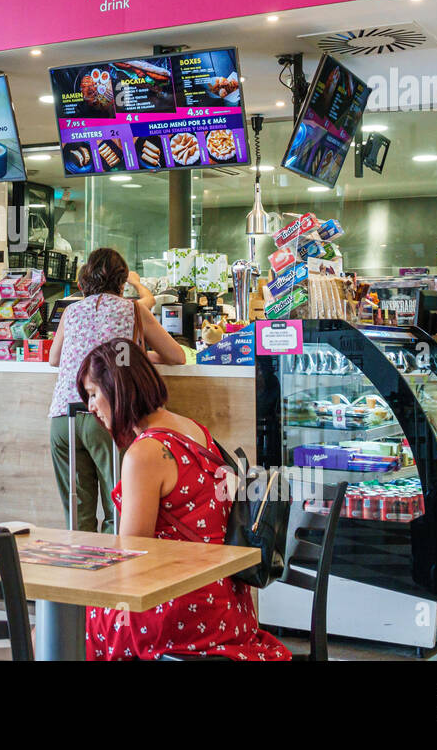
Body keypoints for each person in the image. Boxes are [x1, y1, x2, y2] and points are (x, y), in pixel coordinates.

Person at [78, 339, 290, 661]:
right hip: (231, 610)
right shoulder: (196, 429)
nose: (91, 407)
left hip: (182, 613)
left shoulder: (145, 453)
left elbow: (132, 556)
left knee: (62, 623)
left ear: (117, 389)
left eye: (93, 394)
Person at [47, 248, 185, 533]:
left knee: (77, 515)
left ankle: (80, 573)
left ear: (85, 280)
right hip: (106, 416)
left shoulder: (71, 311)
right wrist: (139, 354)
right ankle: (114, 574)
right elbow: (176, 355)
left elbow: (54, 358)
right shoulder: (133, 309)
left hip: (62, 419)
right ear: (122, 282)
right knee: (119, 510)